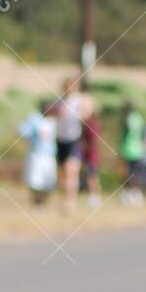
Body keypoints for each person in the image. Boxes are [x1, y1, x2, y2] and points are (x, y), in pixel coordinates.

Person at [53, 77, 84, 212]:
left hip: (74, 140)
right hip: (60, 140)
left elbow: (87, 113)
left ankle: (71, 202)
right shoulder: (60, 101)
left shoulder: (79, 101)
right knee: (62, 173)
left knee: (71, 171)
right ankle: (64, 200)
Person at [18, 100, 57, 205]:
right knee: (35, 181)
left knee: (48, 182)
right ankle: (36, 203)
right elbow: (23, 132)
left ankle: (44, 203)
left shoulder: (53, 121)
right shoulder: (34, 118)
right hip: (37, 154)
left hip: (50, 156)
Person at [118, 99, 146, 204]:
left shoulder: (127, 118)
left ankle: (127, 194)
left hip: (127, 149)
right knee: (136, 173)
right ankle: (136, 194)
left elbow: (125, 132)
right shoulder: (139, 117)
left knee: (126, 173)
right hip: (138, 149)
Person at [80, 103, 103, 206]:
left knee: (92, 176)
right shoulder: (90, 124)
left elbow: (93, 141)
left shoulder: (93, 125)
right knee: (92, 175)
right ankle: (94, 195)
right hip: (90, 154)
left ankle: (94, 196)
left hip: (92, 155)